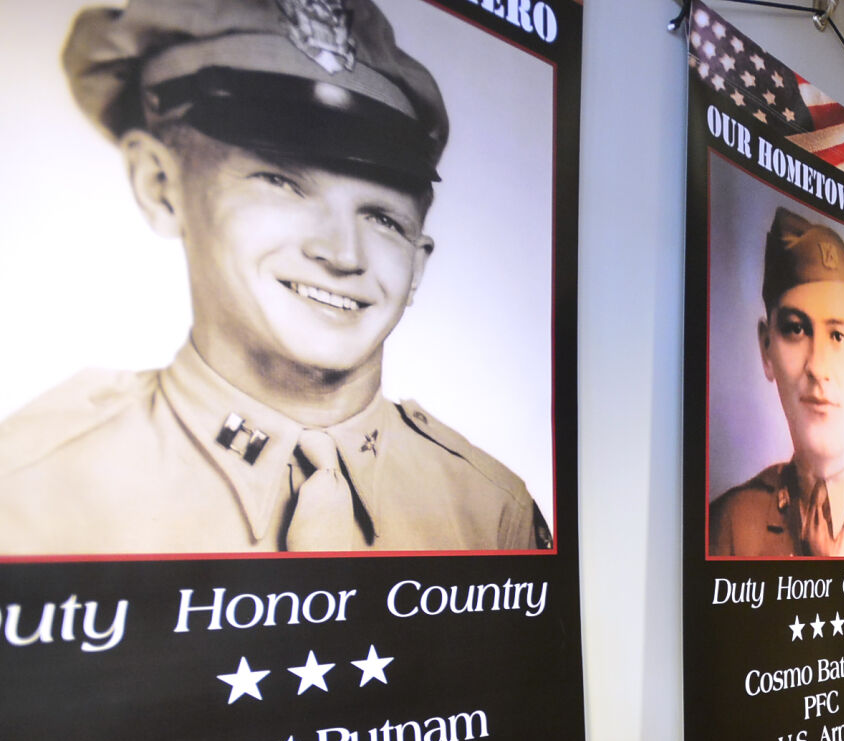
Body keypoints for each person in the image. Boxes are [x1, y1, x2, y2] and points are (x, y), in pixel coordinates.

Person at [0, 0, 551, 555]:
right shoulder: (34, 490)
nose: (341, 253)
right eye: (282, 182)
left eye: (383, 217)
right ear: (160, 185)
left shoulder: (491, 511)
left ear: (418, 265)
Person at [709, 207, 844, 557]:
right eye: (795, 329)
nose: (818, 366)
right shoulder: (731, 524)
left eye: (837, 335)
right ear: (766, 347)